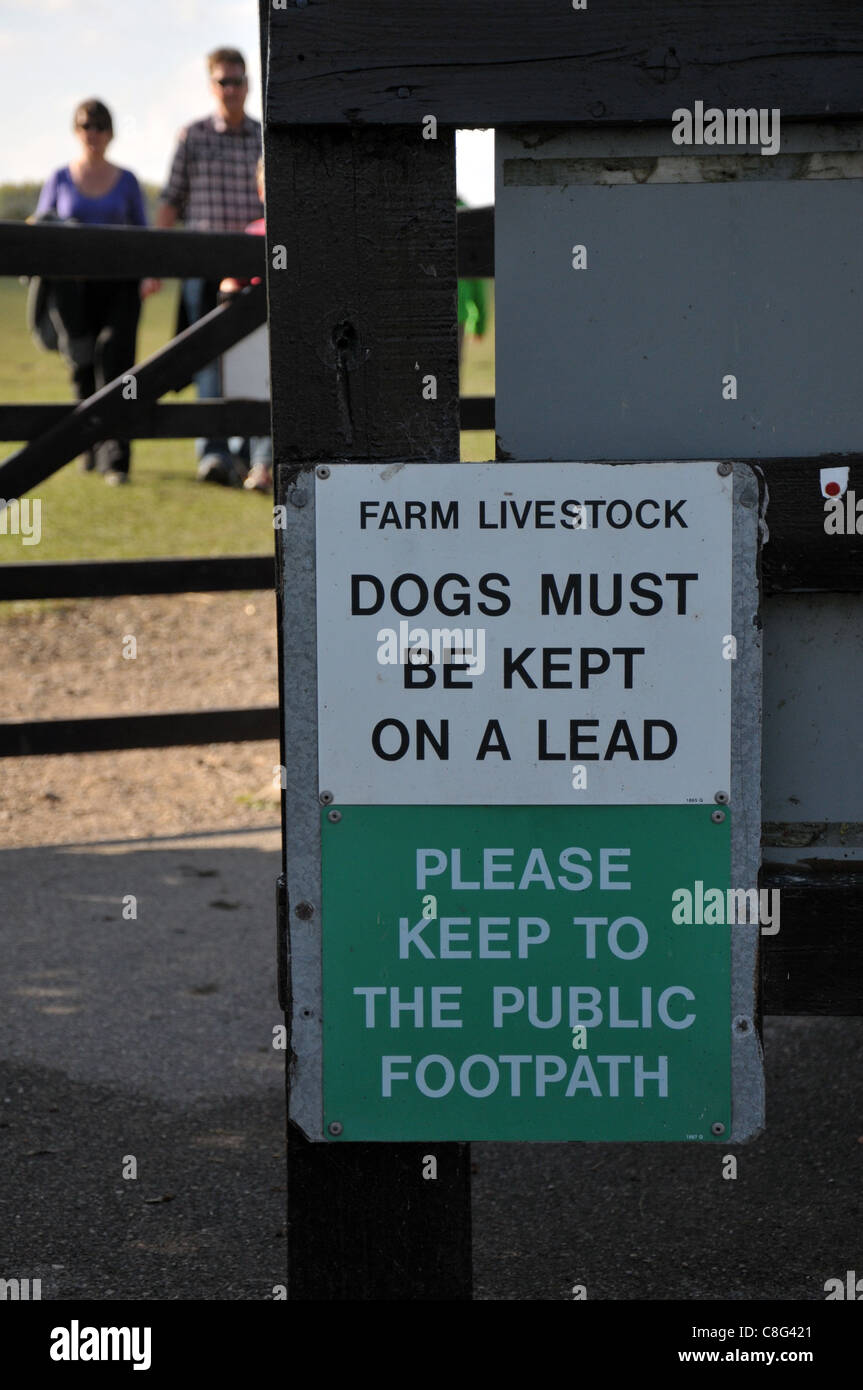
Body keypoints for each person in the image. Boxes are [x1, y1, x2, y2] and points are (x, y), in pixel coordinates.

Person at [156, 47, 263, 486]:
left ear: (248, 84)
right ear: (211, 85)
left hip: (256, 261)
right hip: (204, 265)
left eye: (238, 80)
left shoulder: (264, 136)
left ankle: (247, 452)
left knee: (253, 361)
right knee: (206, 359)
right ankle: (213, 453)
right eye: (223, 81)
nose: (231, 89)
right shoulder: (193, 136)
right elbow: (169, 201)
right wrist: (155, 265)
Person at [34, 98, 156, 484]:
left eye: (101, 126)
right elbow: (39, 225)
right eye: (87, 125)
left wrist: (151, 273)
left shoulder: (128, 181)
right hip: (72, 292)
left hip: (119, 288)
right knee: (82, 363)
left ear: (111, 133)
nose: (94, 133)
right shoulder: (60, 178)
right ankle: (85, 445)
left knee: (117, 363)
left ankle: (116, 459)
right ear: (76, 130)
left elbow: (143, 234)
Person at [219, 157, 271, 491]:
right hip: (252, 339)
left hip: (284, 339)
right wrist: (232, 296)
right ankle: (246, 461)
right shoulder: (252, 234)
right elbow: (229, 281)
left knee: (273, 397)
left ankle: (262, 467)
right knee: (250, 396)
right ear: (259, 189)